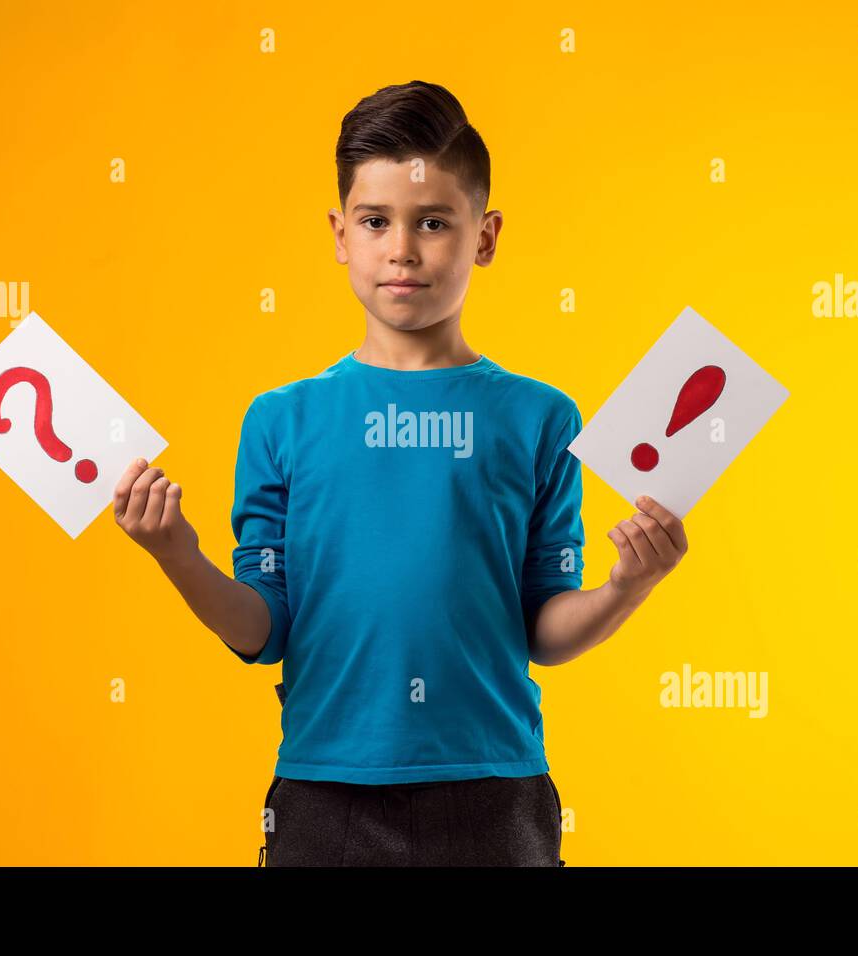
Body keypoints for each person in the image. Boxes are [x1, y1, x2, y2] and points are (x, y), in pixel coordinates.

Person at [112, 80, 689, 866]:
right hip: (323, 796)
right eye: (376, 221)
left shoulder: (541, 418)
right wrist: (176, 552)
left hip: (495, 793)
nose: (403, 250)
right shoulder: (281, 420)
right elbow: (265, 629)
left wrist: (629, 585)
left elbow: (543, 633)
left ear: (484, 237)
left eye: (434, 223)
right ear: (340, 233)